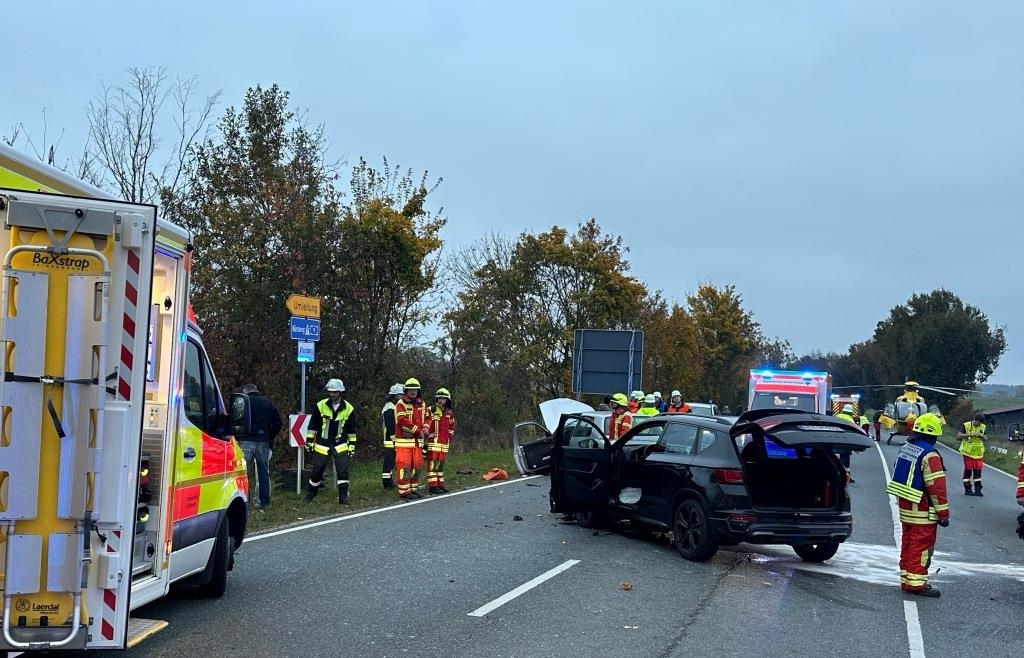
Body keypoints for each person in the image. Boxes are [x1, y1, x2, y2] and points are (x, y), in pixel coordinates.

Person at [886, 412, 949, 598]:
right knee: (921, 546)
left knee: (908, 543)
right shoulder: (930, 454)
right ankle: (917, 583)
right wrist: (943, 514)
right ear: (933, 435)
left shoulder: (907, 448)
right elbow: (936, 487)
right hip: (923, 509)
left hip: (906, 506)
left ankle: (907, 578)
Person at [304, 378, 357, 505]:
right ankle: (312, 493)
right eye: (330, 392)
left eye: (334, 392)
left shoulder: (349, 408)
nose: (331, 394)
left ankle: (343, 497)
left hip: (341, 444)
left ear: (340, 392)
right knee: (317, 471)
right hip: (322, 444)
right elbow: (312, 426)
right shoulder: (321, 405)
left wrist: (352, 445)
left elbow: (352, 429)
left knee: (343, 471)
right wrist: (309, 441)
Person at [237, 384, 283, 510]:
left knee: (242, 473)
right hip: (263, 442)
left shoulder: (242, 402)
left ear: (245, 392)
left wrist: (237, 436)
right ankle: (264, 502)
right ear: (257, 391)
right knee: (263, 473)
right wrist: (269, 436)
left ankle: (243, 503)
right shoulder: (267, 402)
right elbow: (278, 422)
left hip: (245, 441)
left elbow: (236, 420)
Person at [395, 377, 430, 500]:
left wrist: (426, 428)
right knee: (404, 467)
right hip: (404, 443)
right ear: (406, 390)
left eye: (415, 389)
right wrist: (418, 431)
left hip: (417, 443)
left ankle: (413, 489)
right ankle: (404, 492)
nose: (413, 391)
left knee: (417, 467)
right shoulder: (401, 403)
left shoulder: (422, 403)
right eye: (410, 389)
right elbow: (402, 421)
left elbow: (427, 418)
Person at [427, 387, 456, 494]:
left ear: (447, 400)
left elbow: (452, 426)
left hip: (444, 443)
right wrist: (428, 435)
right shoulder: (431, 409)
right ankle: (432, 486)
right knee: (432, 465)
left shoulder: (449, 412)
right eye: (439, 398)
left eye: (443, 399)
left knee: (440, 465)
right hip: (433, 443)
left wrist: (449, 436)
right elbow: (425, 424)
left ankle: (440, 484)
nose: (441, 400)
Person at [381, 383, 404, 490]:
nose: (402, 397)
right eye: (400, 395)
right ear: (395, 396)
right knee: (389, 461)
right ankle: (387, 483)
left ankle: (390, 481)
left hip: (394, 439)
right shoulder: (389, 408)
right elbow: (391, 426)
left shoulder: (394, 406)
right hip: (390, 439)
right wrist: (396, 441)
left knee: (392, 461)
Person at [957, 413, 987, 496]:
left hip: (978, 454)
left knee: (978, 472)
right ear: (975, 420)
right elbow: (959, 436)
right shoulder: (966, 425)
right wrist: (971, 434)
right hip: (968, 453)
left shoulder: (983, 427)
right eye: (978, 423)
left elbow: (986, 438)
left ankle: (978, 490)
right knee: (968, 471)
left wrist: (982, 437)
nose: (979, 425)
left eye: (980, 423)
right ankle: (968, 489)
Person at [834, 404, 857, 481]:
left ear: (843, 410)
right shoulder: (851, 420)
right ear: (851, 413)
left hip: (835, 441)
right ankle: (846, 477)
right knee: (845, 461)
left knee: (833, 458)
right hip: (845, 443)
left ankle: (835, 474)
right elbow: (853, 433)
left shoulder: (837, 416)